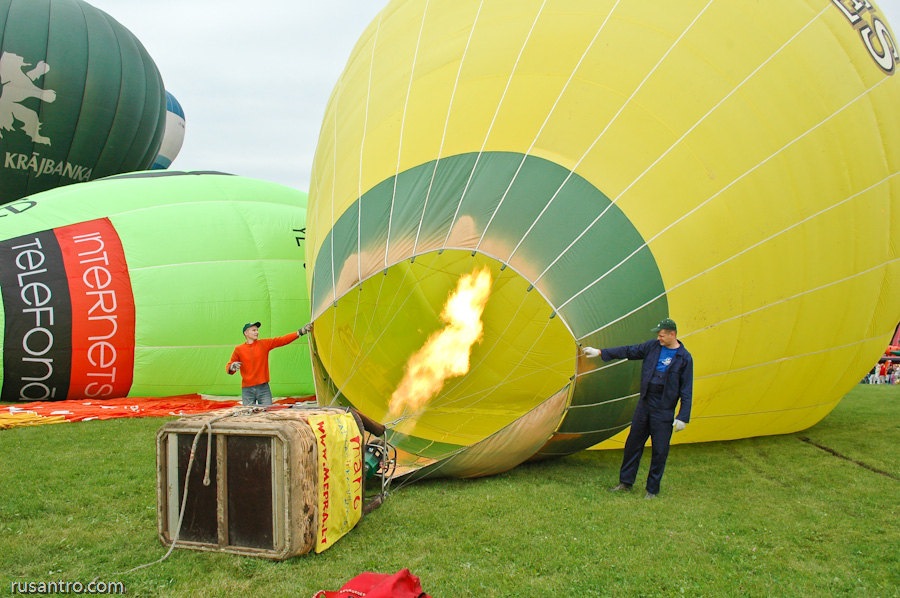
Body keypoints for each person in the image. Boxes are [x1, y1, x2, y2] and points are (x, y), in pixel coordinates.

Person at [582, 318, 693, 499]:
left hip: (663, 409)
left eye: (662, 335)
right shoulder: (653, 347)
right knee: (633, 444)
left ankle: (652, 489)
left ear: (673, 334)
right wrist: (601, 352)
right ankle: (625, 482)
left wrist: (683, 416)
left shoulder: (684, 358)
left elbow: (686, 389)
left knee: (659, 450)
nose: (659, 338)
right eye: (658, 335)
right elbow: (629, 351)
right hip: (645, 403)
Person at [227, 321, 313, 406]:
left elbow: (282, 340)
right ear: (246, 333)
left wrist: (300, 332)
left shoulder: (264, 344)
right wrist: (232, 367)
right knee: (248, 415)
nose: (257, 332)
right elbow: (229, 367)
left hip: (263, 388)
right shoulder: (239, 349)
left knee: (268, 412)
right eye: (253, 330)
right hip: (247, 389)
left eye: (257, 330)